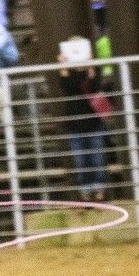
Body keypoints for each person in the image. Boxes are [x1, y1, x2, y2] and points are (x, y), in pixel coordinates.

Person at [58, 53, 109, 202]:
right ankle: (85, 191)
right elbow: (67, 87)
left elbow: (94, 86)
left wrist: (90, 66)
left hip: (93, 121)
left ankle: (99, 189)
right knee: (80, 159)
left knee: (97, 157)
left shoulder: (92, 69)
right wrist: (63, 65)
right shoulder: (68, 72)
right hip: (74, 124)